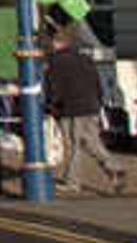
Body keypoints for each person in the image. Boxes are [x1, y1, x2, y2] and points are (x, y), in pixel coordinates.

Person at [45, 31, 126, 193]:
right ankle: (114, 167)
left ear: (57, 43)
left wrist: (51, 105)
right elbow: (97, 83)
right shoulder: (86, 59)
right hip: (91, 106)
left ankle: (72, 182)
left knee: (73, 146)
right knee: (91, 142)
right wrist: (99, 101)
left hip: (70, 108)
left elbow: (55, 88)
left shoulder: (55, 61)